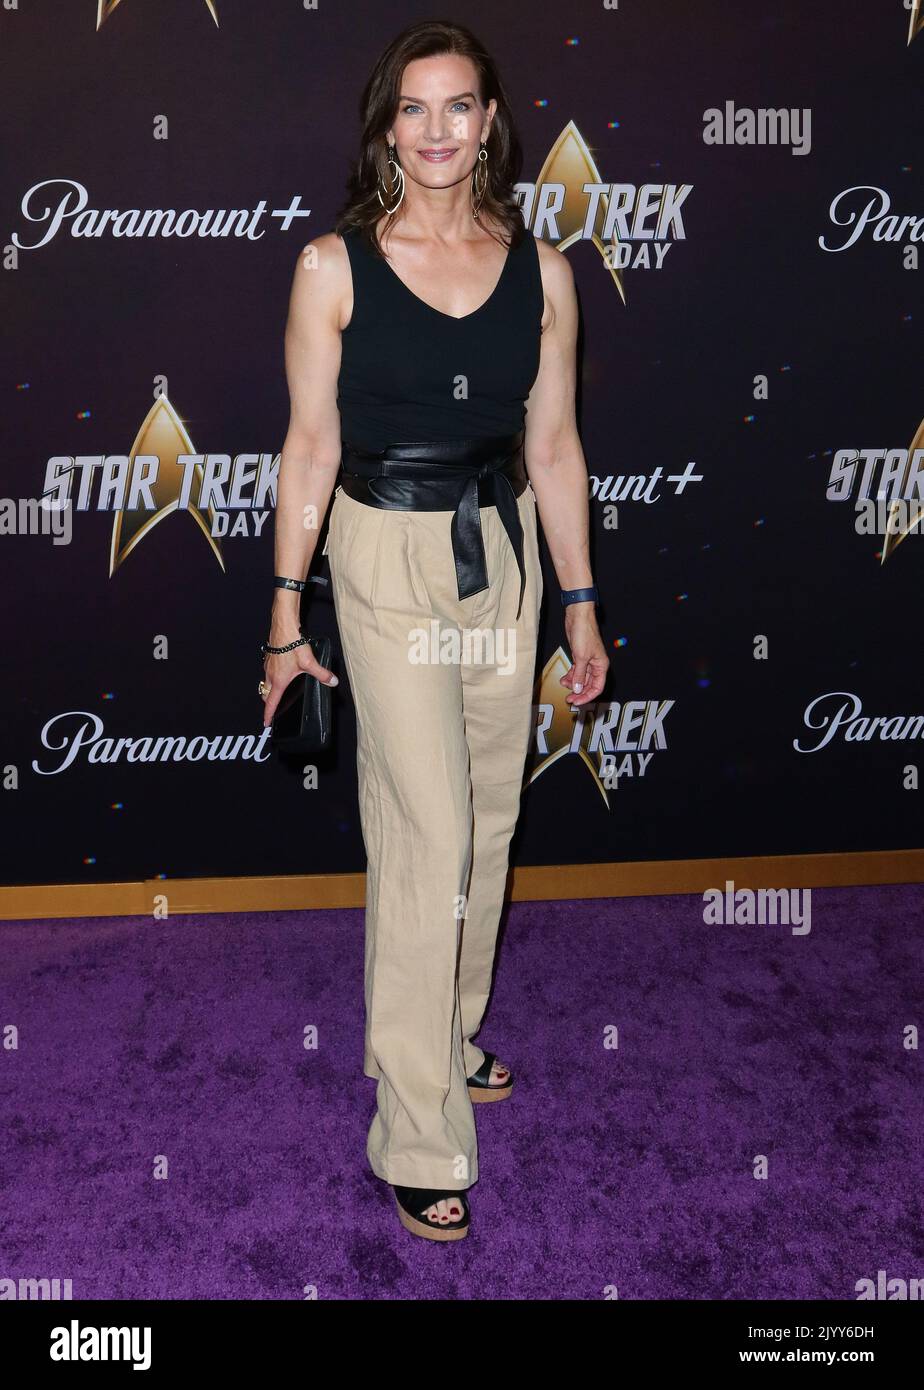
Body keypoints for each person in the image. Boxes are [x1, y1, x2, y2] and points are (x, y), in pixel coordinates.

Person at [261, 19, 608, 1241]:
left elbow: (556, 448)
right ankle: (416, 1130)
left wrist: (578, 602)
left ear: (491, 122)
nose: (438, 130)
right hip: (387, 550)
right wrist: (284, 616)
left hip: (502, 550)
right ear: (385, 128)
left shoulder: (544, 271)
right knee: (426, 830)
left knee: (490, 820)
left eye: (459, 107)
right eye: (414, 109)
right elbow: (308, 447)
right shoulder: (333, 266)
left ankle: (445, 1037)